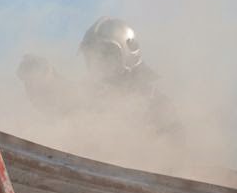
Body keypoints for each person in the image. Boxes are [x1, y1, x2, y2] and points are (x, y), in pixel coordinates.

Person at [17, 17, 179, 134]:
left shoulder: (156, 104)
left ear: (127, 52)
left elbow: (173, 158)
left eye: (106, 54)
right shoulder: (93, 96)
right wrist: (44, 79)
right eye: (91, 55)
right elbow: (64, 100)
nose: (98, 62)